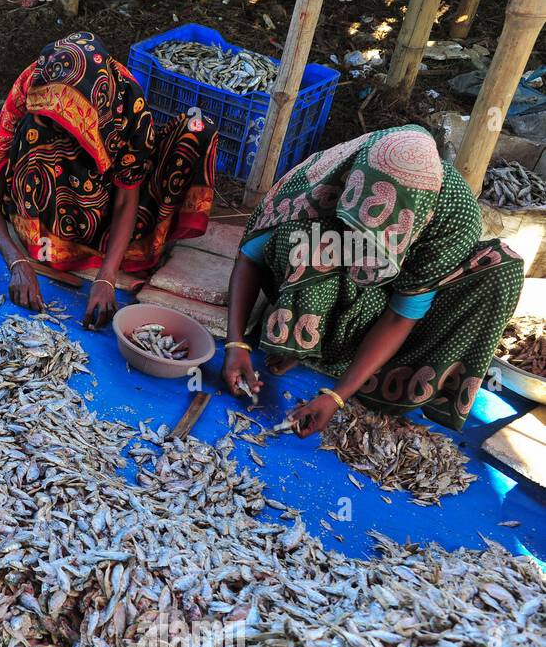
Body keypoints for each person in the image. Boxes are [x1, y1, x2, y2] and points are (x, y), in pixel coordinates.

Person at [222, 124, 524, 437]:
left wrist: (338, 396)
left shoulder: (455, 221)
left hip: (389, 304)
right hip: (336, 280)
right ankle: (302, 341)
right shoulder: (327, 177)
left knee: (504, 270)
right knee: (310, 244)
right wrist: (235, 343)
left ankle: (361, 366)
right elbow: (251, 257)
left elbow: (400, 314)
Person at [0, 32, 219, 328]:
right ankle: (48, 243)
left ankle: (104, 250)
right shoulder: (34, 85)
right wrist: (16, 263)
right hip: (51, 200)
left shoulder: (128, 105)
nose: (61, 130)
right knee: (34, 129)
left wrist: (106, 277)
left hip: (104, 205)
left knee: (198, 128)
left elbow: (126, 199)